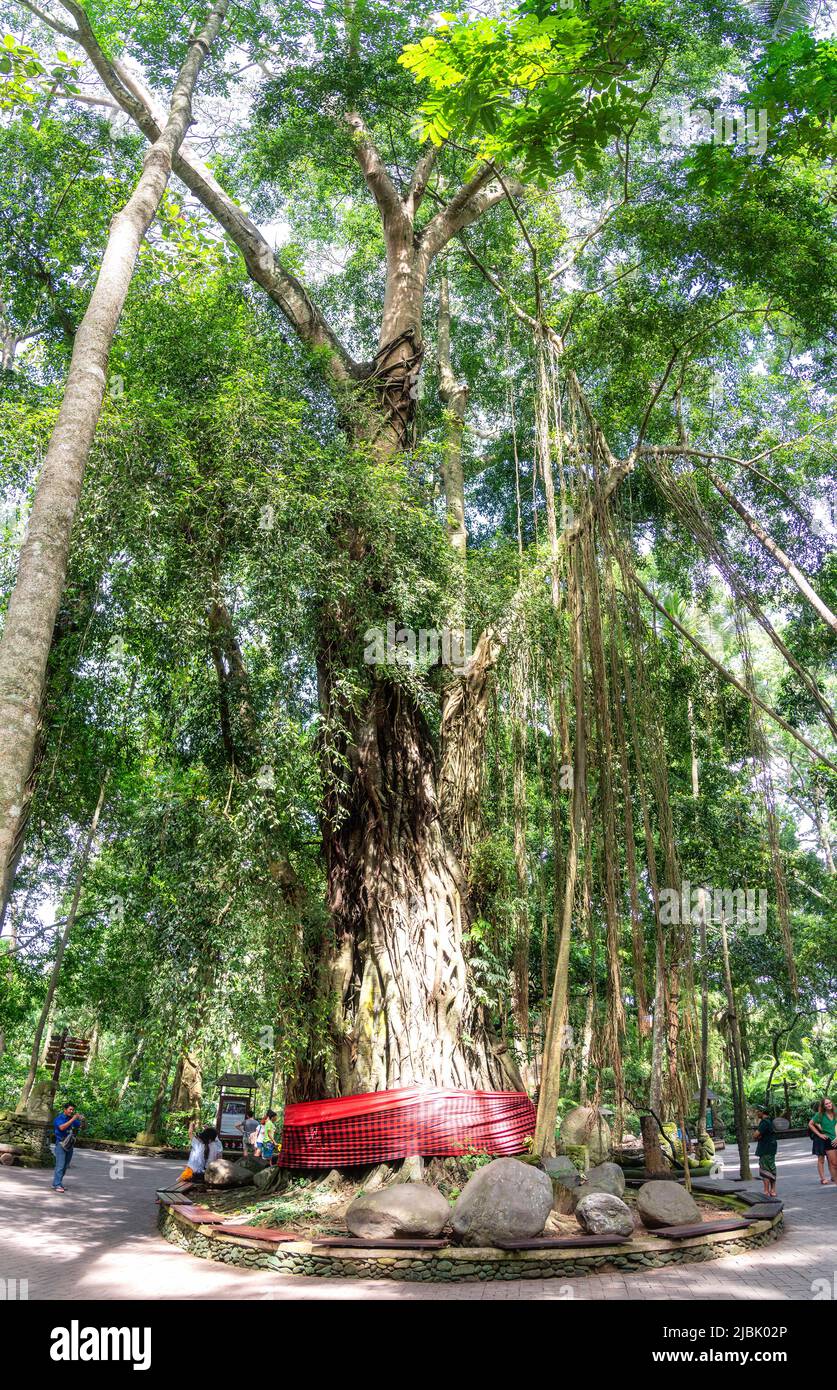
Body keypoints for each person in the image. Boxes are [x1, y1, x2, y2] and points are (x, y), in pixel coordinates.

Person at [52, 1101, 83, 1193]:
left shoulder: (72, 1119)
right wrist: (73, 1119)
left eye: (73, 1110)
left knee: (65, 1166)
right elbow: (61, 1128)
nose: (72, 1111)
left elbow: (83, 1127)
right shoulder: (59, 1118)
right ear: (65, 1109)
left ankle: (58, 1183)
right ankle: (57, 1184)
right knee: (60, 1165)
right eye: (70, 1109)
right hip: (60, 1144)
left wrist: (83, 1120)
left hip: (70, 1145)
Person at [808, 1098, 837, 1185]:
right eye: (826, 1104)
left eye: (829, 1103)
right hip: (828, 1141)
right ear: (823, 1106)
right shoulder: (820, 1115)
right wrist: (820, 1134)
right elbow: (811, 1124)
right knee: (833, 1163)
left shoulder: (836, 1112)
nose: (829, 1105)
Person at [753, 1106, 778, 1199]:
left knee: (765, 1168)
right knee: (771, 1167)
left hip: (766, 1148)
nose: (757, 1113)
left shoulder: (764, 1122)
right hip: (770, 1147)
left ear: (762, 1112)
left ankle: (767, 1190)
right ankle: (772, 1190)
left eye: (758, 1112)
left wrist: (757, 1136)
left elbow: (756, 1135)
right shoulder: (770, 1121)